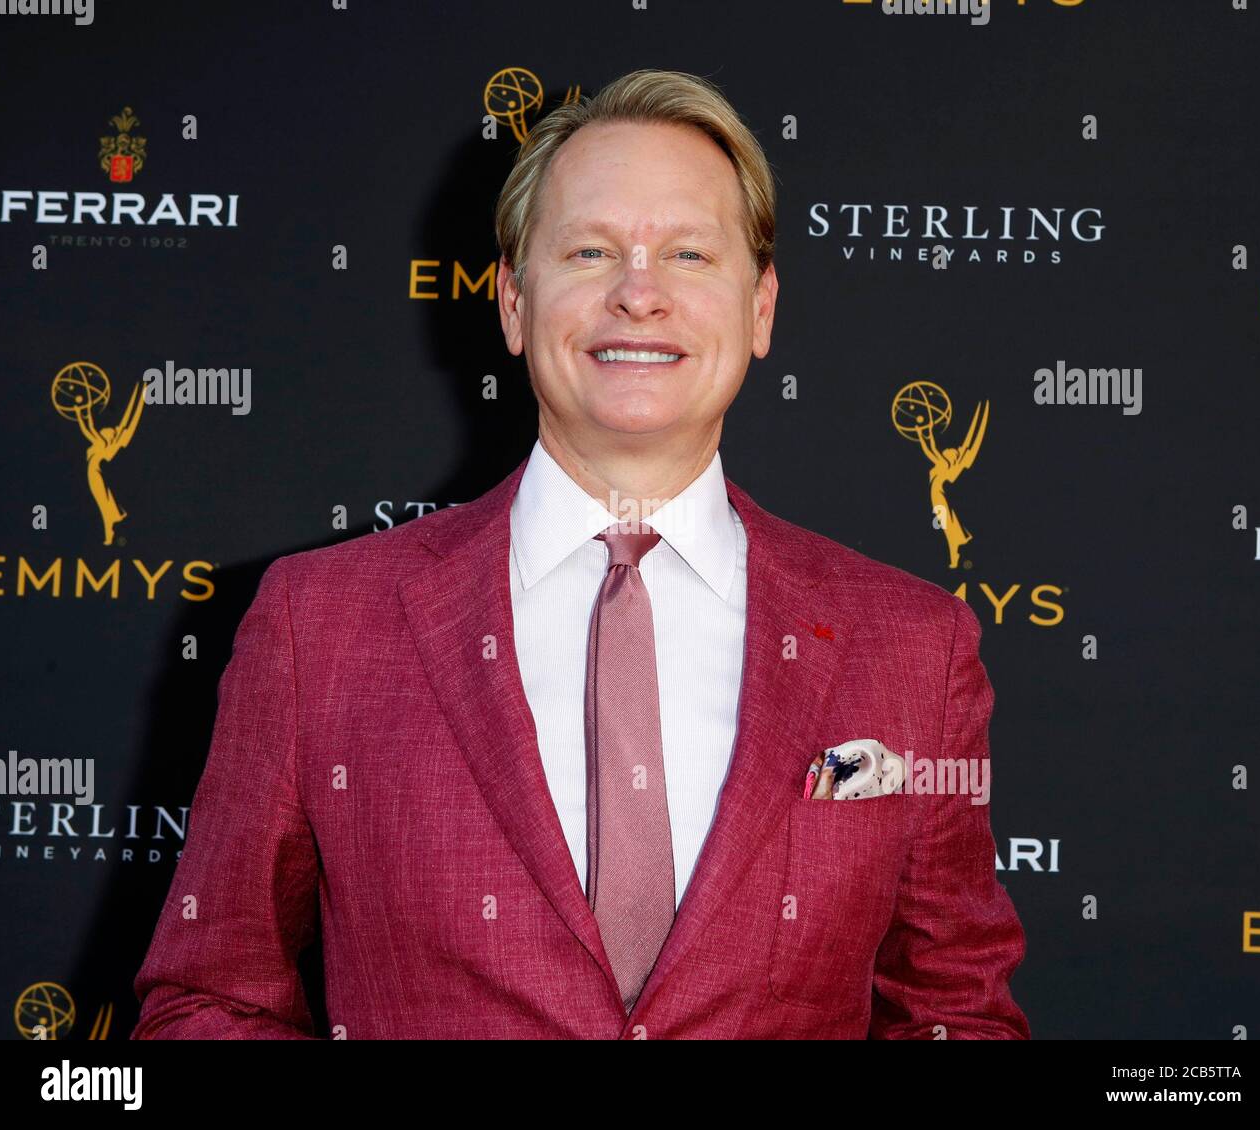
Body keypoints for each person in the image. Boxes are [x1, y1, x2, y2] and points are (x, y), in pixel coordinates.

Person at [131, 68, 1029, 1039]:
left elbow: (952, 1009)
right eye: (591, 249)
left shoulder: (911, 646)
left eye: (688, 252)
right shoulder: (321, 623)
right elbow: (208, 1000)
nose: (638, 293)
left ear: (760, 306)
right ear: (514, 302)